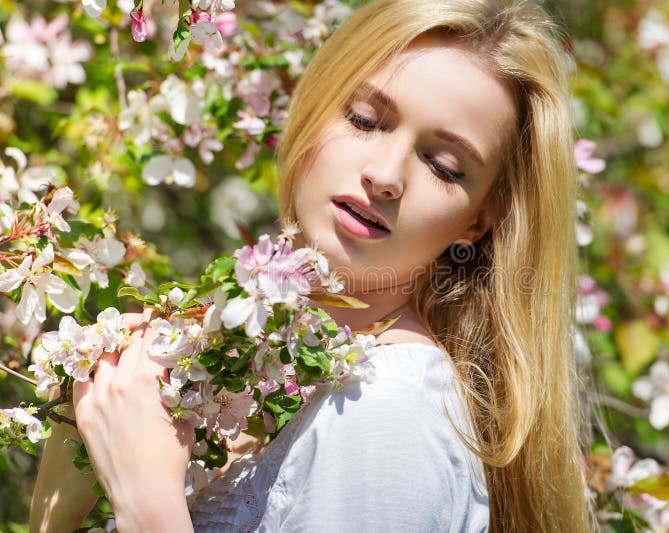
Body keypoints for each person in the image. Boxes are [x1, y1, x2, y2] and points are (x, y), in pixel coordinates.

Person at [29, 0, 592, 531]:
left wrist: (144, 500)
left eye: (444, 166)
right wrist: (70, 486)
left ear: (478, 221)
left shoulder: (385, 408)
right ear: (313, 107)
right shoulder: (250, 373)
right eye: (366, 119)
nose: (387, 174)